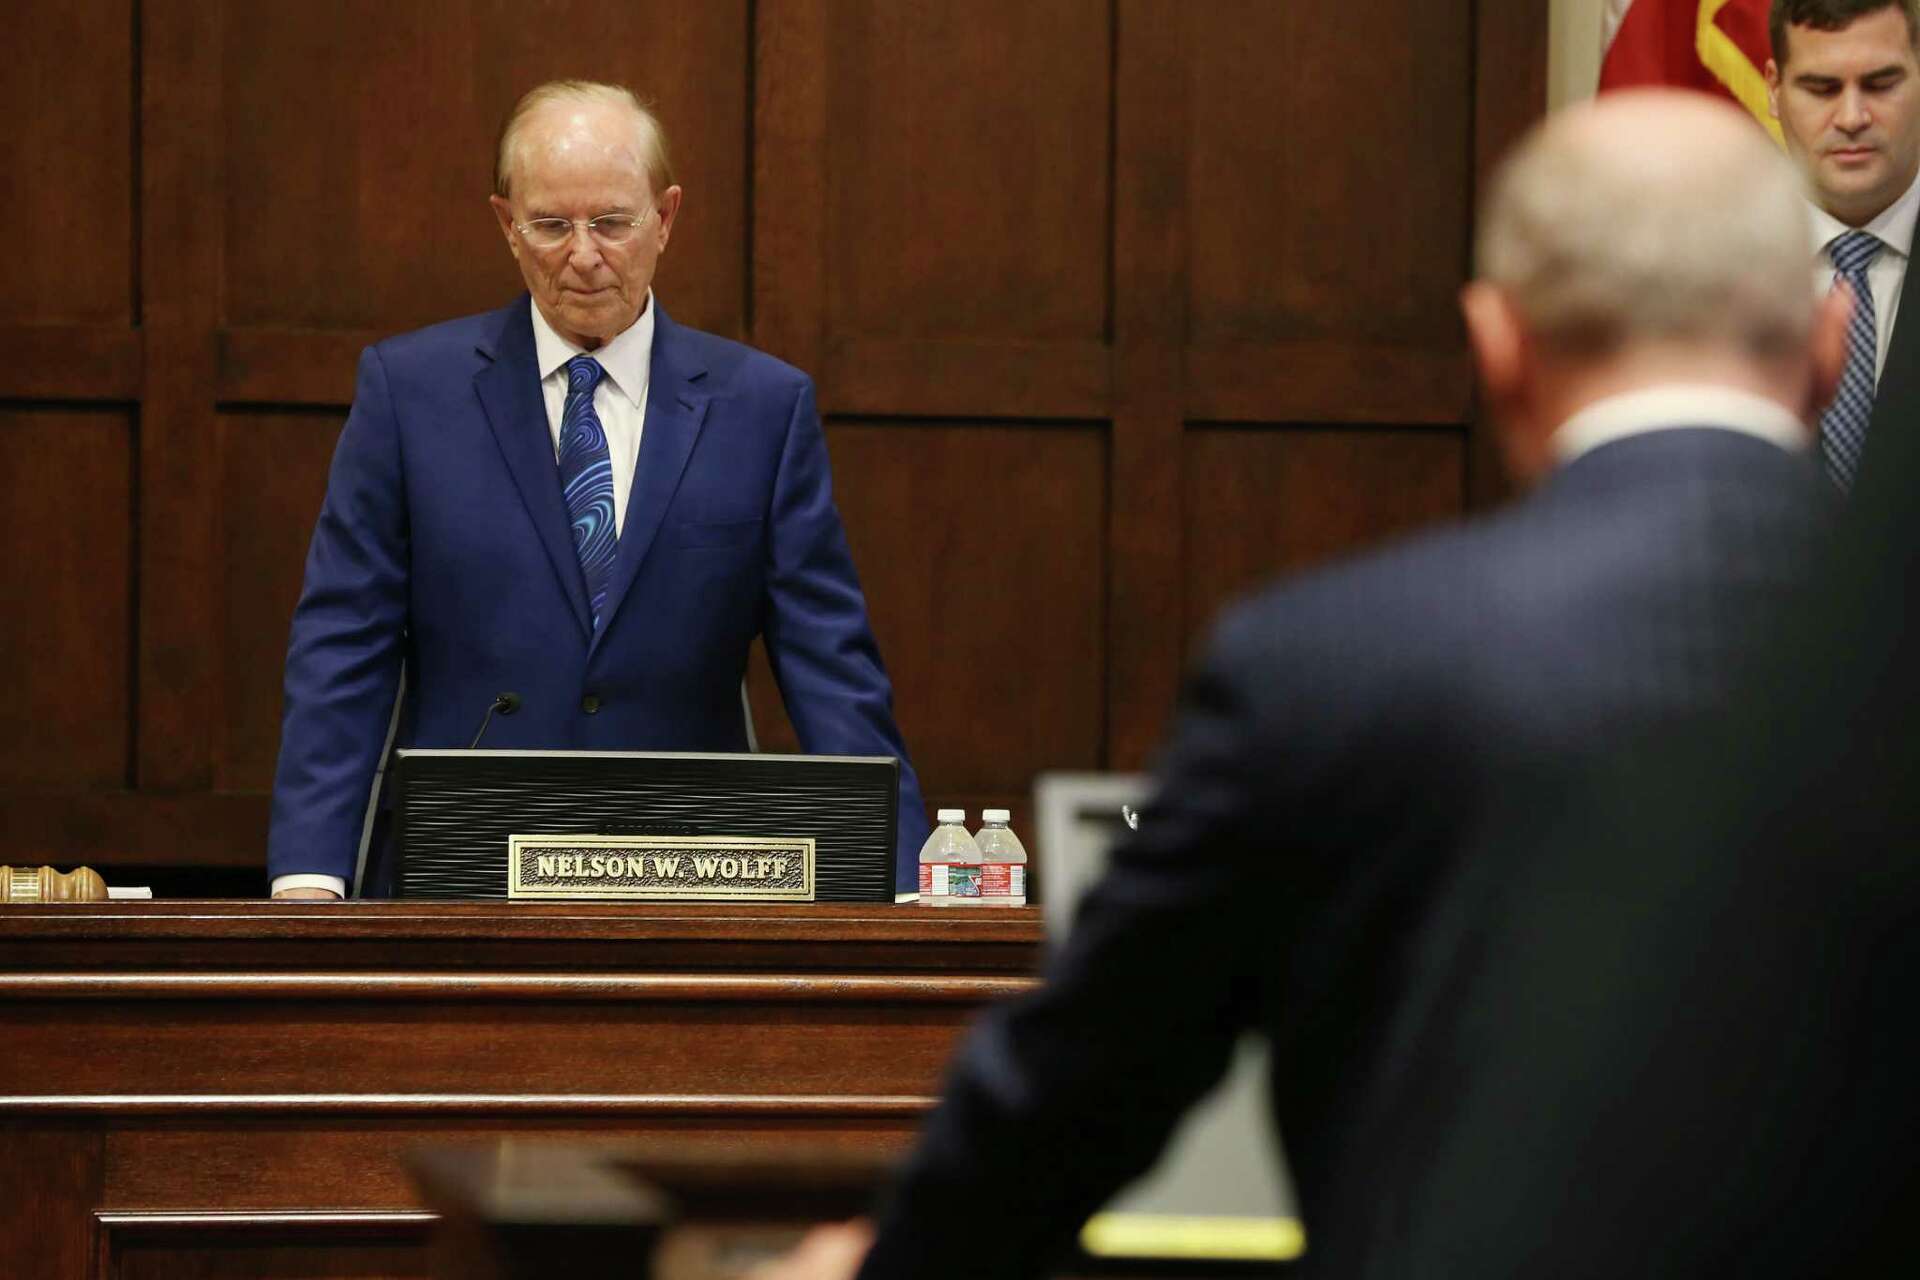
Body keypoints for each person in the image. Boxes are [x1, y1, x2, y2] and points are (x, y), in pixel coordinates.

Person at [753, 90, 1846, 1279]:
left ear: (1496, 348)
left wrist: (883, 1260)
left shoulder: (1332, 666)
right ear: (1832, 341)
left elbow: (1093, 1078)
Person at [267, 81, 930, 899]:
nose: (583, 255)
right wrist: (310, 872)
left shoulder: (763, 407)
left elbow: (829, 662)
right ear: (507, 225)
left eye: (612, 223)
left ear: (666, 218)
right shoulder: (410, 393)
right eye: (551, 225)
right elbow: (343, 645)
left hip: (690, 871)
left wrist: (906, 880)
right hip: (461, 864)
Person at [1767, 0, 1920, 489]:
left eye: (1881, 84)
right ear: (1774, 90)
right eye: (1822, 88)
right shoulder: (1710, 272)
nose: (1852, 117)